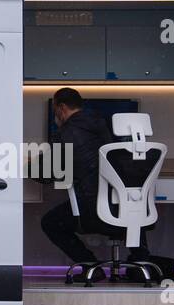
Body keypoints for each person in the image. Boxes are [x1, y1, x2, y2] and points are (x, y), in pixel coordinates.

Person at [39, 87, 149, 277]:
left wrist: (29, 165)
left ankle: (90, 265)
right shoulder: (105, 127)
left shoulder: (66, 133)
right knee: (131, 204)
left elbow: (46, 175)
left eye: (55, 110)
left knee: (50, 223)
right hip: (123, 206)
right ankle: (142, 263)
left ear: (61, 108)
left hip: (93, 210)